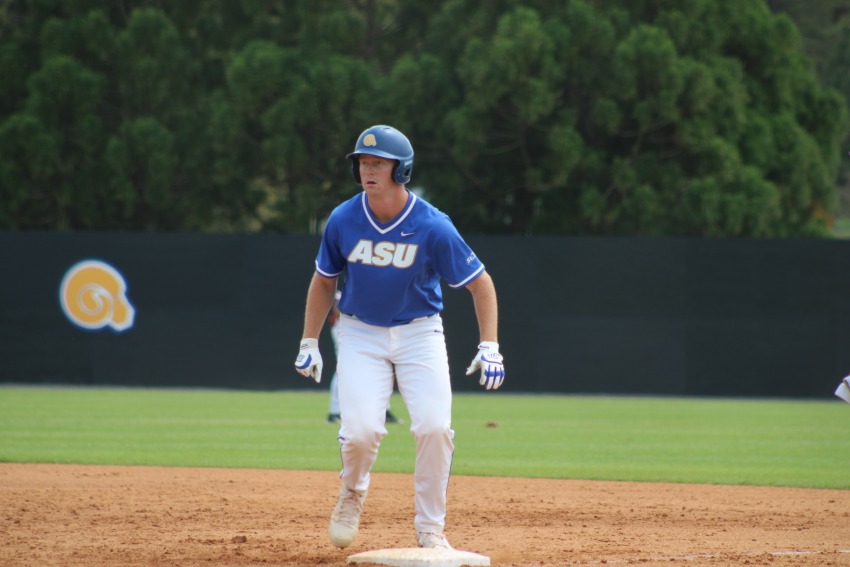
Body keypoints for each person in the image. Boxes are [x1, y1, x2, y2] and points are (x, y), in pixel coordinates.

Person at [294, 124, 505, 551]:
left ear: (401, 170)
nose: (368, 170)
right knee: (360, 432)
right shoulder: (343, 219)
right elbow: (322, 281)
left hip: (419, 333)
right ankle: (351, 494)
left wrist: (490, 345)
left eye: (378, 163)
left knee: (434, 428)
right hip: (359, 333)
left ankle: (431, 529)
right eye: (362, 163)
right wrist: (308, 341)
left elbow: (480, 283)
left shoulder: (432, 225)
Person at [327, 290, 401, 425]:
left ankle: (383, 410)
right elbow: (336, 308)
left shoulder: (364, 285)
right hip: (344, 329)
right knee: (344, 369)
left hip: (365, 328)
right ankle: (335, 411)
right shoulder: (345, 288)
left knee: (380, 367)